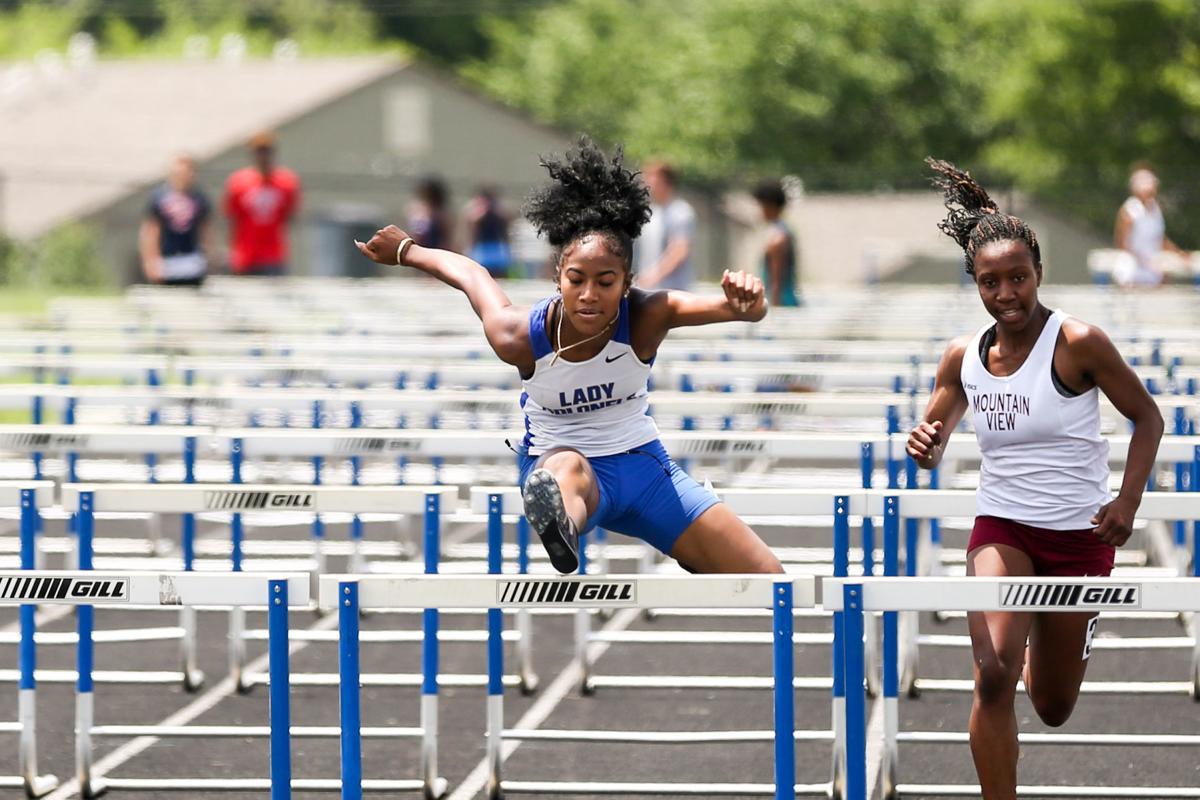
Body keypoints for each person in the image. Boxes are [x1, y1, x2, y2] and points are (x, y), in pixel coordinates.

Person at [356, 137, 783, 576]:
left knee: (771, 580)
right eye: (576, 279)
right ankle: (562, 527)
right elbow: (471, 273)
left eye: (606, 281)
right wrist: (409, 251)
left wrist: (748, 304)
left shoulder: (646, 315)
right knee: (567, 467)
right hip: (561, 466)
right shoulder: (518, 335)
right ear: (557, 275)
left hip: (645, 471)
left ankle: (666, 541)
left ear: (628, 282)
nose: (589, 295)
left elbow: (741, 311)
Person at [907, 159, 1163, 800]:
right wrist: (924, 444)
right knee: (991, 676)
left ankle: (1037, 639)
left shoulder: (1078, 342)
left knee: (1051, 705)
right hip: (1002, 528)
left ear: (1038, 274)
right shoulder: (963, 357)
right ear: (976, 286)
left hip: (1078, 535)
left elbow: (1148, 418)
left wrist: (1126, 502)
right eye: (991, 282)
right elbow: (930, 438)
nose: (1007, 294)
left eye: (1018, 278)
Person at [223, 131, 300, 276]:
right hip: (245, 256)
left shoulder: (286, 182)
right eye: (259, 152)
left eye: (267, 151)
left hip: (273, 256)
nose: (263, 156)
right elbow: (232, 218)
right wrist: (233, 253)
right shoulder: (238, 182)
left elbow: (289, 216)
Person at [139, 154, 213, 286]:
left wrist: (210, 258)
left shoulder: (199, 198)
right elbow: (150, 233)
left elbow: (205, 231)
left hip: (193, 261)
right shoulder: (159, 198)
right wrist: (150, 261)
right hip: (167, 261)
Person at [1112, 164, 1185, 286]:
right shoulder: (1129, 210)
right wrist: (1145, 261)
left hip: (1152, 264)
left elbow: (1160, 238)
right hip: (1134, 265)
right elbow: (1122, 242)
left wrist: (1178, 253)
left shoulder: (1155, 208)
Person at [634, 160, 696, 290]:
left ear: (665, 181)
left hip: (673, 292)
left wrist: (653, 277)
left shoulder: (680, 211)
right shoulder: (651, 213)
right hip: (650, 290)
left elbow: (679, 251)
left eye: (652, 177)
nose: (646, 183)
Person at [751, 179, 800, 307]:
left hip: (781, 301)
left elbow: (776, 280)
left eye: (760, 205)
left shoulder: (778, 238)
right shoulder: (784, 231)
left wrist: (773, 308)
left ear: (769, 205)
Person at [464, 185, 512, 278]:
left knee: (501, 275)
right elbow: (471, 224)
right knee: (480, 275)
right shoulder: (475, 210)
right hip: (482, 248)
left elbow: (507, 222)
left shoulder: (499, 210)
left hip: (496, 247)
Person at [408, 177, 455, 252]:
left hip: (435, 250)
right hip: (417, 249)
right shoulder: (416, 209)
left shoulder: (440, 213)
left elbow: (447, 238)